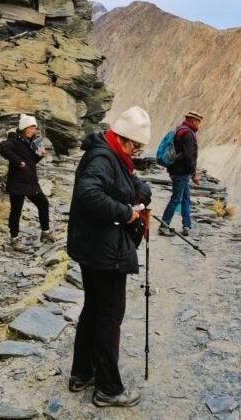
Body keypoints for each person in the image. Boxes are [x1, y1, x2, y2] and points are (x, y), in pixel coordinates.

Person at [67, 106, 152, 408]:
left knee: (93, 310)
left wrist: (138, 188)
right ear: (125, 140)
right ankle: (108, 388)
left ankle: (82, 373)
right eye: (137, 147)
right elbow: (89, 193)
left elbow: (119, 181)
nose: (138, 152)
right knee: (108, 316)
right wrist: (126, 212)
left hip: (93, 247)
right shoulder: (103, 157)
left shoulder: (110, 154)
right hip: (104, 252)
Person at [0, 113, 57, 252]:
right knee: (16, 211)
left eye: (34, 128)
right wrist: (18, 162)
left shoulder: (32, 142)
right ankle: (14, 239)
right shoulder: (14, 140)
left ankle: (45, 232)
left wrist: (39, 156)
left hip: (30, 181)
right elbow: (3, 148)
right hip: (17, 182)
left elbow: (31, 161)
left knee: (43, 204)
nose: (34, 130)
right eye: (31, 127)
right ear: (24, 128)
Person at [159, 111, 204, 237]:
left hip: (175, 170)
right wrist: (193, 174)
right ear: (193, 121)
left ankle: (187, 226)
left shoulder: (179, 130)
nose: (198, 124)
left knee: (185, 198)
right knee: (176, 199)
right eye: (198, 121)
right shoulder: (188, 134)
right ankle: (164, 225)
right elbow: (189, 157)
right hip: (181, 172)